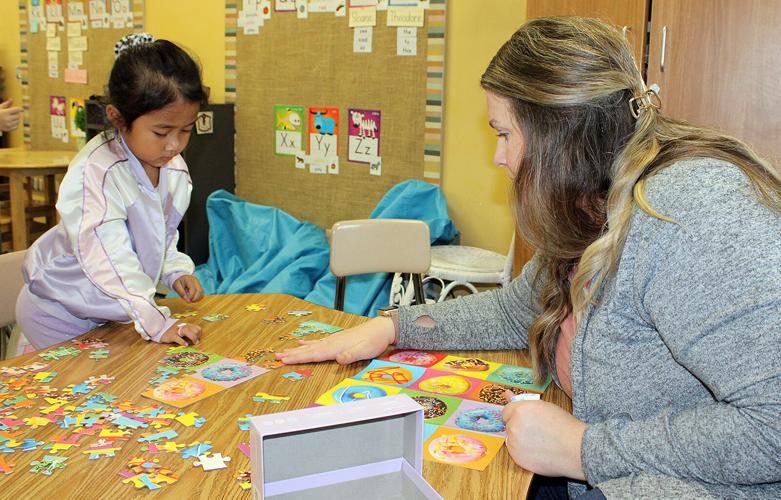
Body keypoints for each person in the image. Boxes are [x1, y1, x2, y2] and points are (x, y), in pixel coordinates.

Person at [277, 17, 781, 499]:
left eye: (504, 134)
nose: (498, 158)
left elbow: (772, 427)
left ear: (560, 134)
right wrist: (392, 327)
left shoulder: (692, 210)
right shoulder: (588, 196)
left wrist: (582, 449)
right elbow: (511, 310)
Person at [16, 34, 207, 349]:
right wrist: (157, 322)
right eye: (161, 132)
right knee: (81, 381)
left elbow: (160, 233)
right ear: (118, 118)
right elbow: (110, 259)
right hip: (59, 313)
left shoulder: (171, 167)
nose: (174, 145)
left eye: (185, 130)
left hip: (113, 310)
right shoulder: (96, 172)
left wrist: (174, 269)